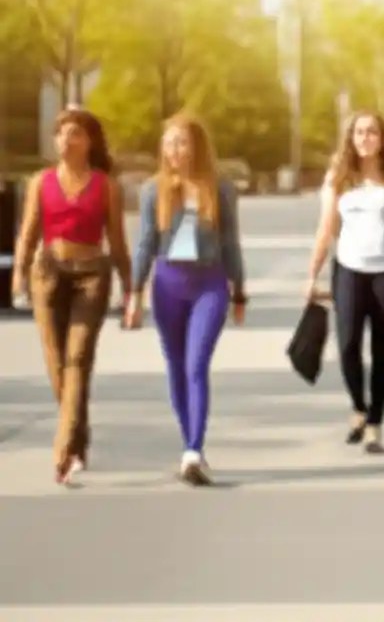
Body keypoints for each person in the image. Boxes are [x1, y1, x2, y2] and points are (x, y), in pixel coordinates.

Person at [11, 108, 133, 485]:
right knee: (56, 361)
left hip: (91, 275)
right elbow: (28, 233)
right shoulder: (40, 182)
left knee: (77, 359)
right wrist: (18, 277)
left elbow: (117, 240)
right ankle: (79, 437)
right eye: (61, 134)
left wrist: (131, 289)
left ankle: (63, 448)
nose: (66, 140)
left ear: (89, 141)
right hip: (48, 274)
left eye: (75, 133)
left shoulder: (106, 186)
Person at [125, 113, 247, 486]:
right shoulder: (153, 190)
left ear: (196, 145)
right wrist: (134, 292)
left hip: (209, 283)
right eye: (170, 143)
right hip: (168, 284)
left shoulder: (220, 188)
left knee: (196, 364)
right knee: (176, 366)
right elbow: (146, 242)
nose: (175, 150)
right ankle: (189, 448)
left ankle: (194, 448)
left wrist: (238, 289)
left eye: (182, 142)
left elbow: (229, 242)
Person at [305, 112, 384, 453]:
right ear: (351, 138)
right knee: (347, 346)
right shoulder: (338, 178)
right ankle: (358, 405)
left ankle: (375, 423)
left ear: (382, 138)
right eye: (359, 132)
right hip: (349, 269)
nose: (365, 138)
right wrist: (312, 273)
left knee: (382, 347)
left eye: (371, 132)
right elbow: (326, 228)